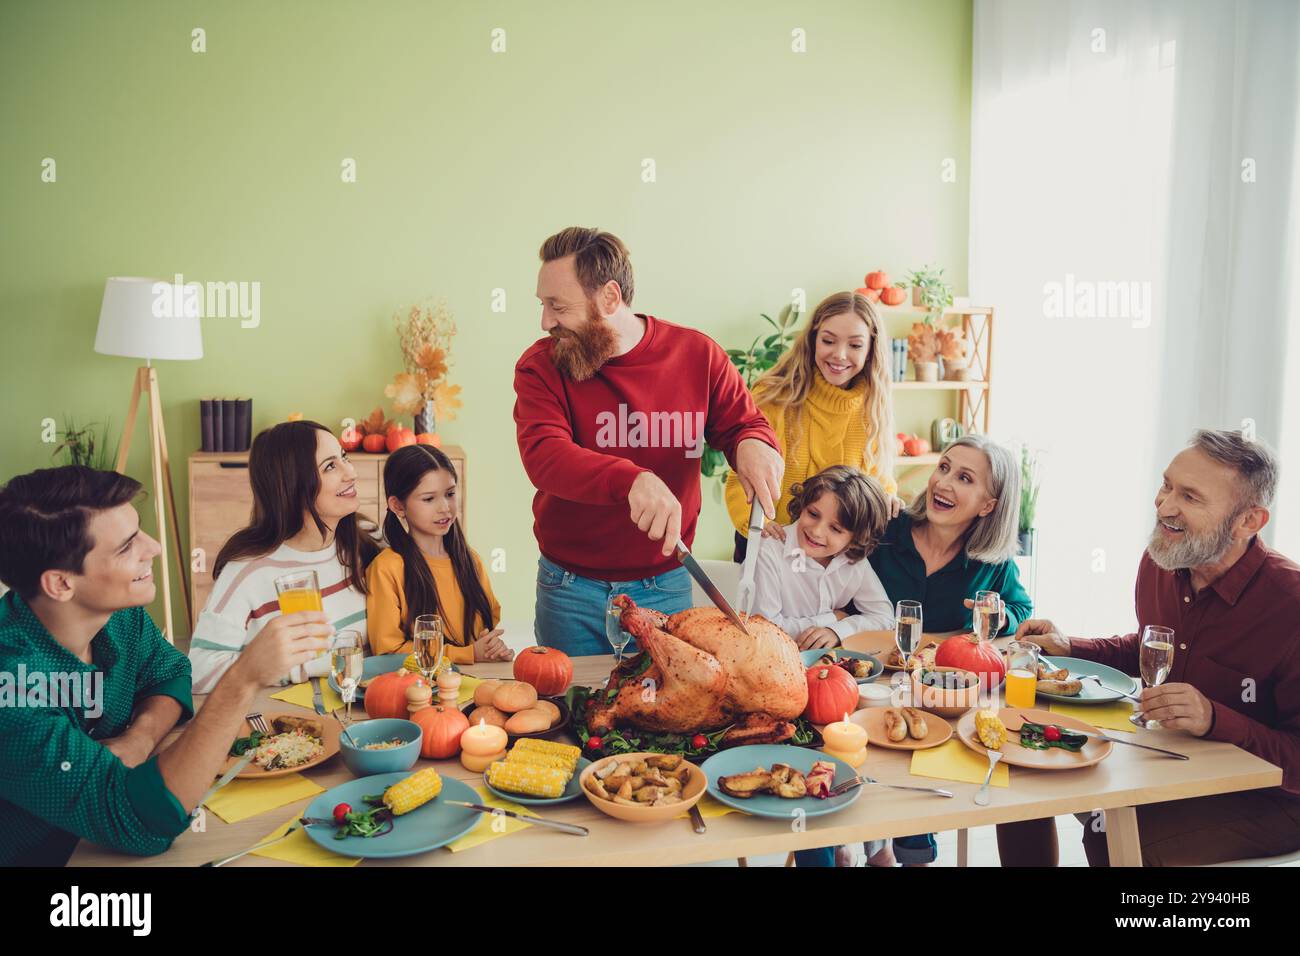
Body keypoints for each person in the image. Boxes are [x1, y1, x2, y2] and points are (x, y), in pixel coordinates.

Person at [998, 429, 1300, 866]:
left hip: (1271, 799)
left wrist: (1216, 718)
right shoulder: (1165, 558)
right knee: (1019, 771)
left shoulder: (1290, 607)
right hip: (1179, 759)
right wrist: (1069, 646)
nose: (1164, 506)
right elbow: (1151, 648)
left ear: (1248, 521)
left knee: (1115, 834)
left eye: (1191, 497)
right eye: (1166, 485)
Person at [0, 466, 331, 865]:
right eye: (126, 548)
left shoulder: (116, 615)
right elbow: (141, 825)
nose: (153, 547)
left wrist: (138, 738)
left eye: (139, 531)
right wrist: (242, 679)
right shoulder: (13, 691)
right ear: (61, 584)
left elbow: (170, 672)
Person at [514, 226, 783, 656]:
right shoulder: (540, 366)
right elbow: (544, 456)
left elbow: (744, 424)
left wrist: (752, 443)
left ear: (609, 298)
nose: (546, 321)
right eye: (543, 305)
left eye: (557, 306)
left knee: (664, 715)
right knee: (569, 715)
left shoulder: (698, 356)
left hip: (665, 584)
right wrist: (631, 479)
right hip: (568, 590)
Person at [860, 434, 1031, 867]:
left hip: (939, 688)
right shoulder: (886, 531)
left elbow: (1022, 608)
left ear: (988, 505)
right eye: (945, 468)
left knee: (938, 736)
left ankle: (909, 839)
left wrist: (997, 614)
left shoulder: (992, 564)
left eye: (965, 478)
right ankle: (877, 841)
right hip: (872, 680)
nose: (945, 482)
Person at [188, 420, 378, 692]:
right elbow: (198, 671)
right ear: (292, 487)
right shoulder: (247, 572)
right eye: (330, 466)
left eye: (344, 457)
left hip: (367, 708)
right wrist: (298, 668)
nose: (351, 473)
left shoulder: (367, 537)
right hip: (292, 720)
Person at [726, 290, 899, 562]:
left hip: (831, 559)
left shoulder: (873, 407)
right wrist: (757, 524)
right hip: (770, 548)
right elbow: (741, 476)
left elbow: (877, 475)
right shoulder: (773, 395)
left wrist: (887, 495)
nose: (840, 355)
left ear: (871, 349)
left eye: (855, 345)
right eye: (829, 341)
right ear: (813, 340)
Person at [367, 444, 512, 664]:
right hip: (423, 690)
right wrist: (468, 654)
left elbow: (487, 624)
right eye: (429, 499)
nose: (445, 508)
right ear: (398, 505)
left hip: (475, 683)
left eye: (450, 494)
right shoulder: (387, 568)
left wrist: (492, 648)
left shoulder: (471, 560)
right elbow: (388, 652)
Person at [750, 466, 894, 647]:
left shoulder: (853, 560)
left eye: (835, 529)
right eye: (813, 514)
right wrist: (832, 618)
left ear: (856, 539)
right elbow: (764, 629)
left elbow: (885, 617)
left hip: (829, 662)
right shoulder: (769, 550)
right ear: (802, 506)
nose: (816, 531)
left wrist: (839, 630)